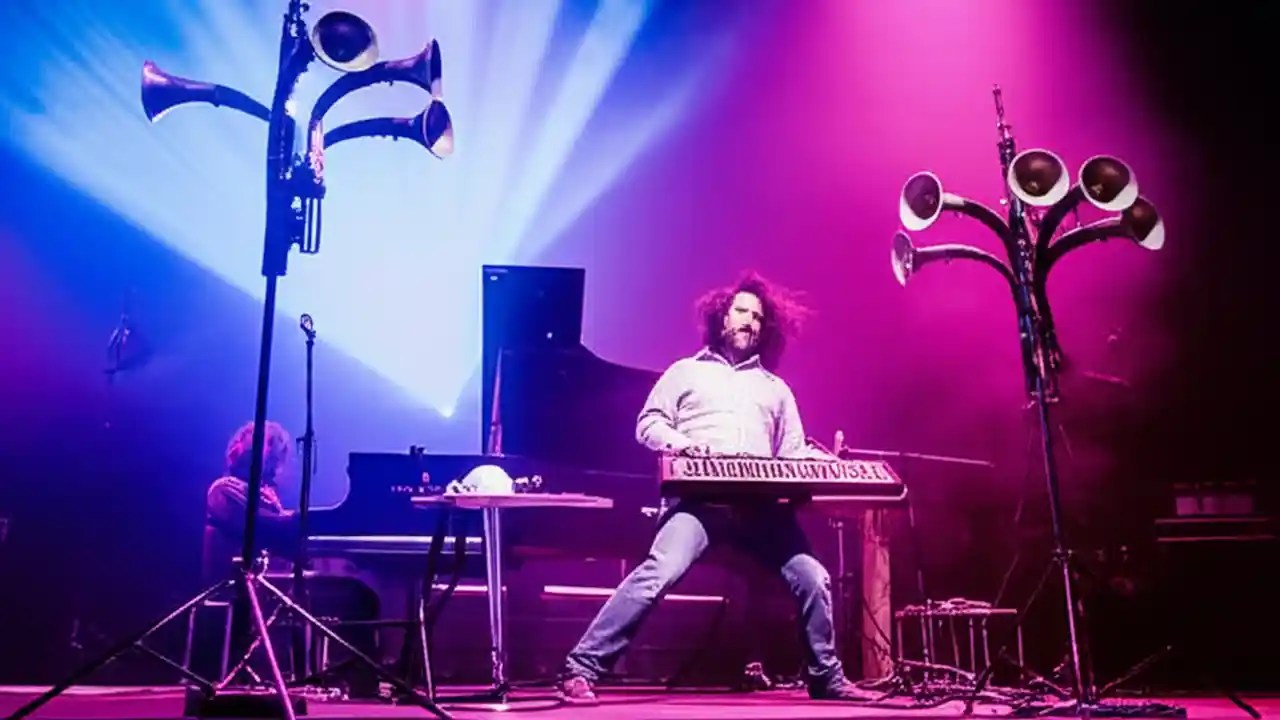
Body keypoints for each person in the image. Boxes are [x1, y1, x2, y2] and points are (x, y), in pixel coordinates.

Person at [557, 272, 869, 704]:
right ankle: (581, 668)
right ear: (722, 317)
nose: (750, 322)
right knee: (659, 570)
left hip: (761, 511)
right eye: (742, 312)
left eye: (758, 317)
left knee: (813, 578)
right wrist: (686, 445)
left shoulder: (776, 390)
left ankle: (826, 678)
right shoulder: (685, 372)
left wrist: (833, 466)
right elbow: (648, 424)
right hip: (699, 505)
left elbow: (792, 452)